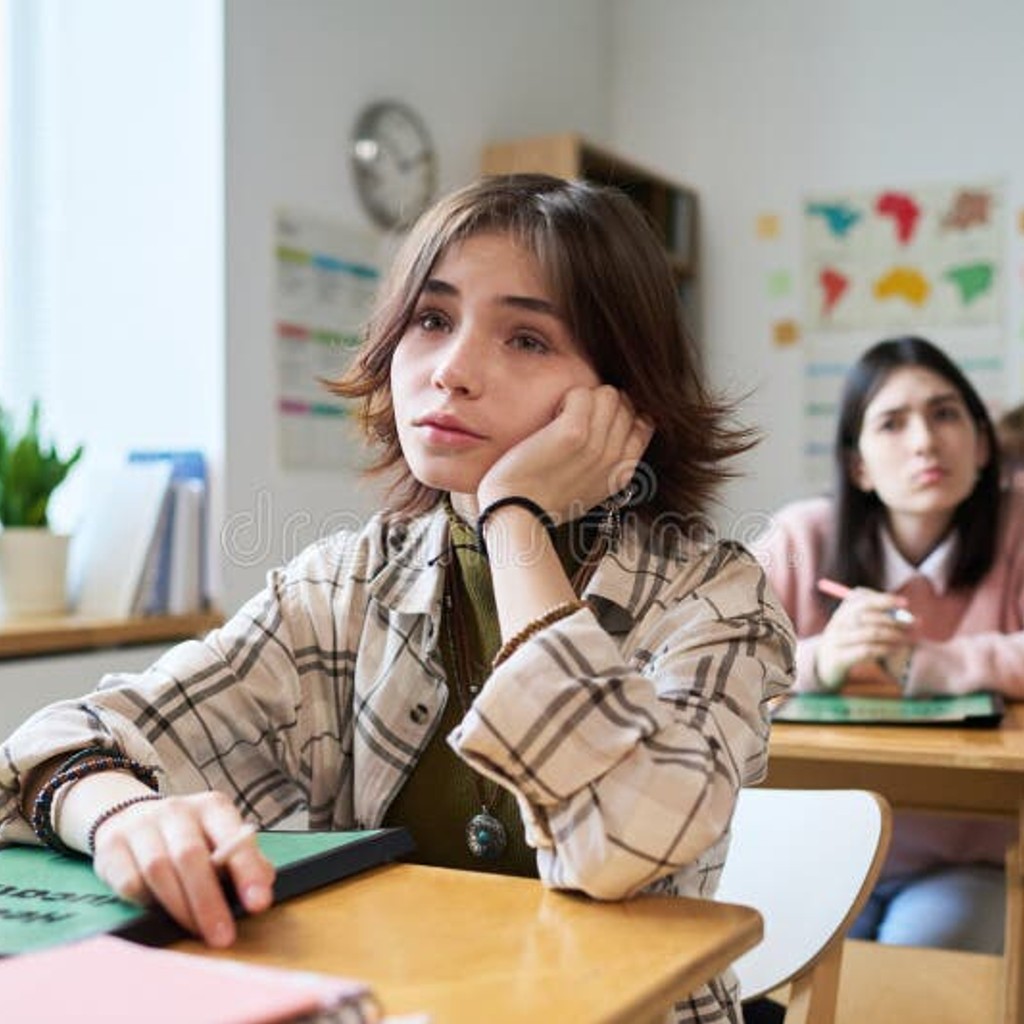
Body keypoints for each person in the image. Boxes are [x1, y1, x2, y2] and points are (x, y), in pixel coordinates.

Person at [0, 174, 793, 1024]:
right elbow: (54, 748)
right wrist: (122, 813)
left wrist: (514, 519)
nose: (451, 371)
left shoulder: (717, 597)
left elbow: (619, 846)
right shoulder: (343, 586)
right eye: (432, 319)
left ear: (624, 394)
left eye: (527, 339)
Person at [753, 335, 1023, 954]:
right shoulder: (801, 536)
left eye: (946, 414)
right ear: (858, 467)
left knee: (923, 961)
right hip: (812, 847)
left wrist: (942, 664)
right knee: (750, 964)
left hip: (963, 860)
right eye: (893, 424)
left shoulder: (1018, 525)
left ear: (982, 446)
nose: (926, 441)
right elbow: (702, 665)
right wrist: (821, 659)